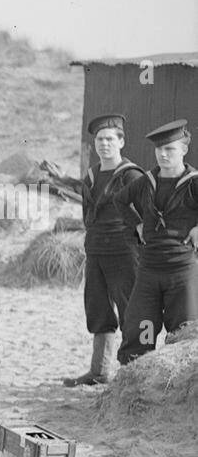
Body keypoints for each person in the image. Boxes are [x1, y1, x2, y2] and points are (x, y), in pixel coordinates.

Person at [40, 114, 144, 385]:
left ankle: (135, 374)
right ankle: (99, 372)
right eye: (99, 139)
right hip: (96, 250)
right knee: (98, 310)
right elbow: (87, 203)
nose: (104, 144)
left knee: (130, 311)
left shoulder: (132, 175)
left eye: (110, 139)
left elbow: (147, 215)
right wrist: (62, 179)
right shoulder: (93, 174)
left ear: (121, 141)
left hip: (124, 252)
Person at [114, 119, 198, 364]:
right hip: (148, 271)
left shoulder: (194, 182)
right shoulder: (145, 182)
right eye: (159, 149)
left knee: (184, 333)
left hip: (182, 271)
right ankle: (132, 388)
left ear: (183, 150)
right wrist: (137, 224)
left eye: (169, 149)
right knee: (140, 329)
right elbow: (119, 201)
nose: (163, 154)